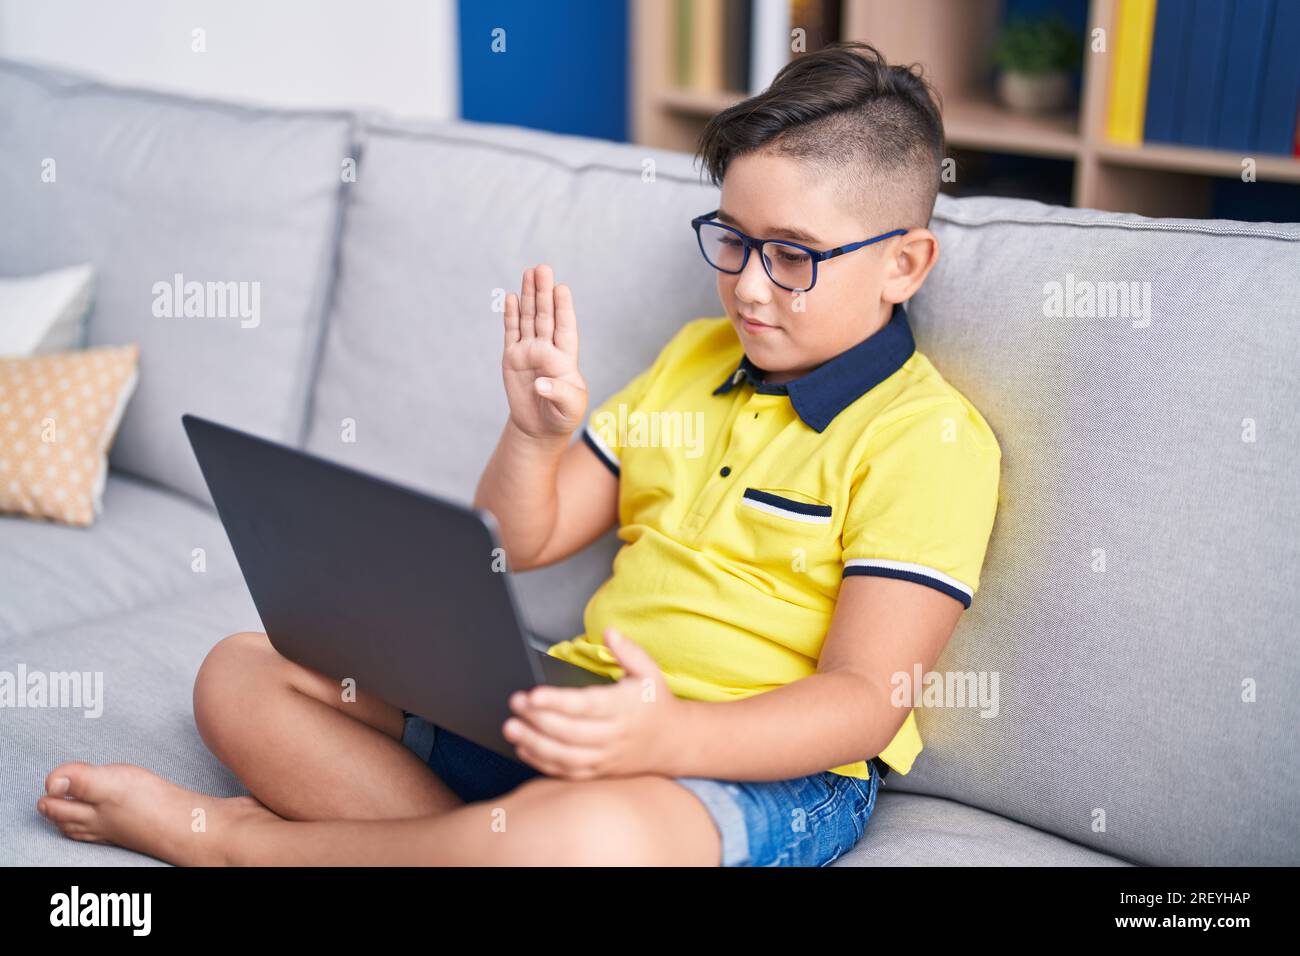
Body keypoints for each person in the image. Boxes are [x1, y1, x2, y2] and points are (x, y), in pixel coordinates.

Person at [37, 41, 1000, 867]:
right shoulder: (698, 361)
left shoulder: (931, 440)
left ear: (903, 263)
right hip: (573, 702)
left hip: (765, 773)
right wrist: (533, 436)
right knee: (244, 672)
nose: (749, 288)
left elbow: (866, 702)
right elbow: (518, 540)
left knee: (575, 837)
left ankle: (235, 843)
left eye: (793, 255)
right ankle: (483, 849)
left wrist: (667, 734)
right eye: (733, 240)